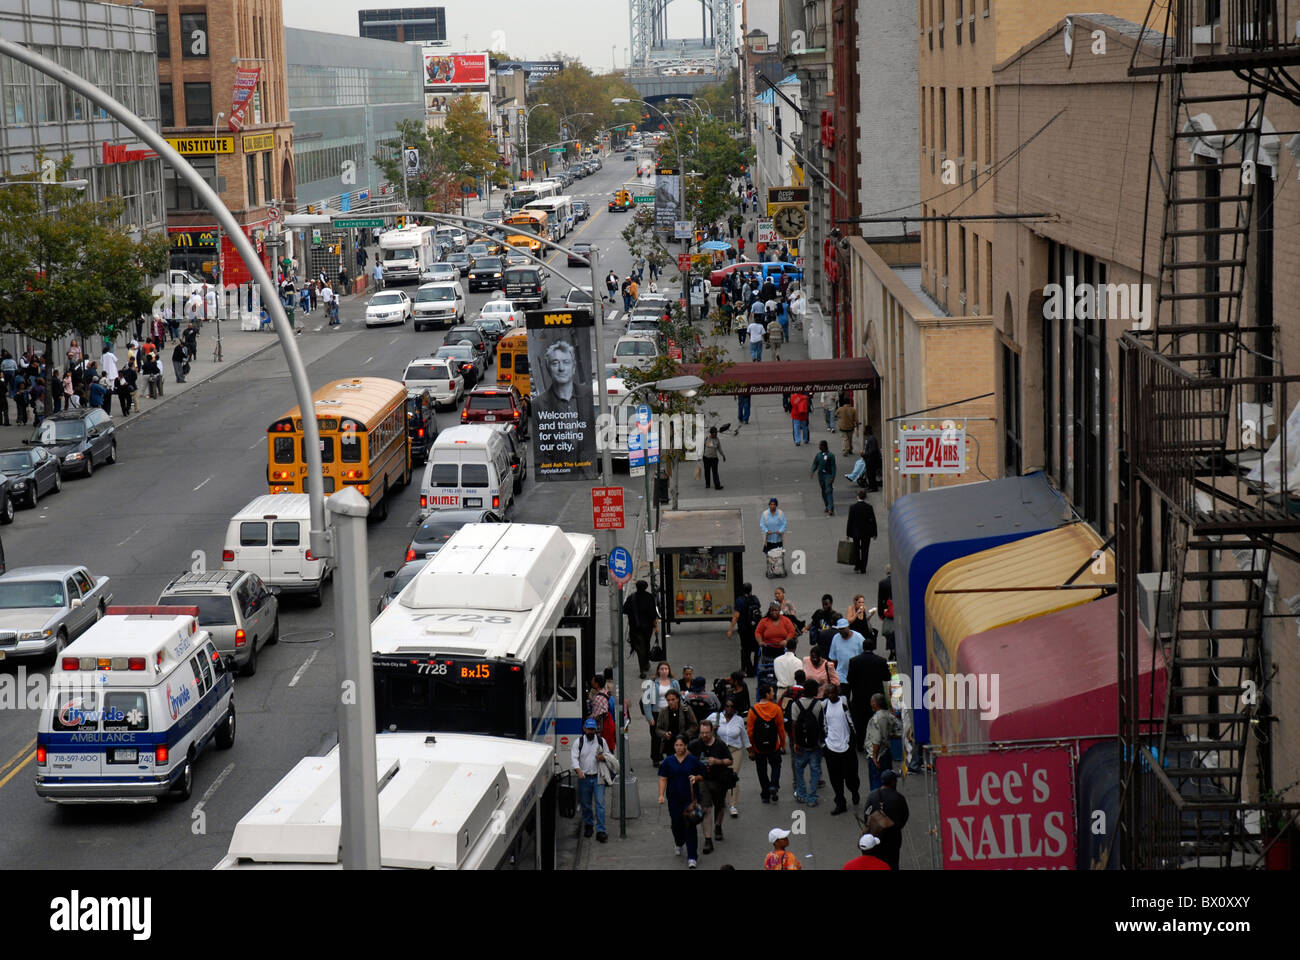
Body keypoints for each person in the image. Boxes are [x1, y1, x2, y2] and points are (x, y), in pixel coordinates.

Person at [658, 734, 705, 868]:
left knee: (690, 826)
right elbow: (663, 778)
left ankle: (692, 856)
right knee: (676, 824)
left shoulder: (692, 761)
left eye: (681, 745)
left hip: (689, 800)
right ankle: (679, 842)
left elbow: (703, 774)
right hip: (674, 799)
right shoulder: (668, 761)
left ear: (685, 746)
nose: (679, 748)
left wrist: (696, 778)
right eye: (676, 745)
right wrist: (661, 795)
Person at [688, 718, 733, 854]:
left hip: (719, 780)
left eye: (707, 733)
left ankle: (718, 826)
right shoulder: (695, 744)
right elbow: (687, 756)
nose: (704, 736)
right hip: (703, 781)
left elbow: (729, 760)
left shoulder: (720, 745)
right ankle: (708, 840)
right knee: (706, 808)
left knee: (719, 806)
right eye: (702, 733)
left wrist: (717, 761)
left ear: (712, 731)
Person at [535, 340, 593, 427]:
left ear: (573, 368)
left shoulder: (590, 395)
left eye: (566, 362)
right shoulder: (537, 405)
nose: (561, 368)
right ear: (548, 370)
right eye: (555, 363)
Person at [707, 698, 749, 818]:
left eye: (732, 706)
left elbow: (744, 736)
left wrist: (750, 749)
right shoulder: (715, 717)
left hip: (735, 750)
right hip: (720, 751)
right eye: (727, 706)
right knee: (720, 776)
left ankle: (733, 805)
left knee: (732, 776)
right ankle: (721, 799)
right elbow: (703, 729)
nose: (729, 709)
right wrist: (711, 730)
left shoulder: (739, 720)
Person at [571, 717, 612, 842]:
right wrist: (579, 771)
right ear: (584, 729)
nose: (590, 732)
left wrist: (603, 757)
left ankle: (601, 830)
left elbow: (609, 755)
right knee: (586, 804)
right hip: (584, 778)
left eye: (592, 729)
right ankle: (589, 825)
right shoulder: (578, 742)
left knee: (600, 804)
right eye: (588, 729)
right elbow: (574, 758)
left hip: (597, 777)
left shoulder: (601, 741)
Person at [846, 644, 892, 753]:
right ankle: (875, 744)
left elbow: (849, 679)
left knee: (860, 722)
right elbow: (887, 677)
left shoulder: (854, 661)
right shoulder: (881, 661)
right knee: (876, 722)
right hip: (876, 697)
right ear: (873, 647)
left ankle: (860, 744)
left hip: (859, 697)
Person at [822, 684, 860, 815]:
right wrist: (824, 744)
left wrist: (853, 742)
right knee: (835, 778)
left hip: (846, 746)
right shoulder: (824, 705)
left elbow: (853, 721)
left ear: (837, 692)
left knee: (851, 777)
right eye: (828, 693)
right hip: (831, 747)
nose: (830, 696)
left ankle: (854, 791)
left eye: (832, 693)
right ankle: (840, 802)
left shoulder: (844, 703)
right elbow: (823, 724)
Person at [789, 679, 827, 806]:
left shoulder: (795, 704)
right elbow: (821, 724)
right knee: (815, 770)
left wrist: (795, 742)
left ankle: (801, 794)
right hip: (814, 744)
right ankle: (812, 797)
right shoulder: (818, 705)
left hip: (800, 744)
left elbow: (794, 724)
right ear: (813, 690)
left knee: (799, 769)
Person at [863, 768, 910, 870]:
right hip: (893, 838)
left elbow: (866, 815)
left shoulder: (872, 795)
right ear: (893, 782)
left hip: (876, 836)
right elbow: (904, 816)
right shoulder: (898, 798)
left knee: (878, 862)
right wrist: (896, 827)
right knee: (893, 863)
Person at [747, 684, 786, 803]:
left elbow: (750, 732)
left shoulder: (753, 710)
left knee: (761, 769)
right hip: (774, 745)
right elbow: (780, 729)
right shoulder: (776, 709)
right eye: (772, 692)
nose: (773, 694)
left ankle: (765, 793)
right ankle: (773, 785)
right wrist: (782, 745)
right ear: (767, 695)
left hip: (759, 748)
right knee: (776, 765)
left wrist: (752, 748)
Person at [641, 661, 680, 764]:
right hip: (656, 712)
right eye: (662, 669)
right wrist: (649, 717)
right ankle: (656, 758)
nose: (664, 671)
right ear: (658, 670)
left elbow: (678, 698)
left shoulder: (674, 683)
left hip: (670, 711)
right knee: (656, 736)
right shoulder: (652, 683)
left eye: (666, 669)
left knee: (671, 735)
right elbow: (646, 701)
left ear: (669, 670)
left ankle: (671, 756)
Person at [622, 579, 660, 679]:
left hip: (635, 628)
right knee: (646, 645)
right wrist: (655, 626)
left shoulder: (631, 597)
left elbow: (624, 609)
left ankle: (642, 667)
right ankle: (645, 664)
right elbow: (653, 614)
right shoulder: (649, 597)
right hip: (647, 628)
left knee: (639, 648)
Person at [865, 692, 902, 790]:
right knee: (888, 779)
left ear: (875, 703)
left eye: (872, 702)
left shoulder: (877, 718)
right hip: (886, 752)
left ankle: (879, 803)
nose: (871, 704)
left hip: (878, 754)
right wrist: (889, 736)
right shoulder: (888, 715)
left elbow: (876, 740)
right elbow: (898, 729)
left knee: (876, 783)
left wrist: (874, 756)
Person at [725, 582, 763, 677]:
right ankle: (755, 669)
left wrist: (731, 629)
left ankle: (747, 670)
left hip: (744, 629)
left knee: (745, 650)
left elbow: (736, 616)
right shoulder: (755, 599)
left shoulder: (740, 600)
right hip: (755, 628)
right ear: (751, 590)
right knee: (756, 648)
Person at [655, 689, 699, 766]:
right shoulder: (663, 711)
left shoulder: (686, 709)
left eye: (673, 699)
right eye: (668, 700)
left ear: (678, 699)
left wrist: (685, 735)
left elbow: (694, 725)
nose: (670, 702)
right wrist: (665, 734)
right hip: (670, 744)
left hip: (684, 743)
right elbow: (658, 729)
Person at [847, 489, 878, 573]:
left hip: (855, 532)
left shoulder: (853, 507)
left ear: (858, 497)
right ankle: (863, 568)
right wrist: (875, 533)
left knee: (856, 550)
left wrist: (848, 533)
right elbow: (873, 520)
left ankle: (857, 566)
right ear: (865, 497)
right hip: (866, 533)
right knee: (865, 550)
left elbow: (850, 521)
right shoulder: (869, 507)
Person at [827, 618, 866, 683]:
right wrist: (833, 675)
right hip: (841, 675)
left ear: (848, 627)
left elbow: (865, 655)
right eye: (839, 629)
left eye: (843, 629)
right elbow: (833, 659)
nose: (841, 631)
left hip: (856, 675)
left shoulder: (859, 637)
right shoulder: (836, 638)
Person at [811, 440, 838, 516]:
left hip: (828, 475)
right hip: (821, 476)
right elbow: (815, 463)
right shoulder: (818, 455)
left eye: (820, 445)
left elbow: (833, 467)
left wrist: (832, 477)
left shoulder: (831, 455)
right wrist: (813, 471)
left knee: (828, 491)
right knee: (823, 491)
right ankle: (827, 505)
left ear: (824, 446)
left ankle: (830, 508)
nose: (819, 447)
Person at [877, 568, 895, 658]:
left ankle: (891, 649)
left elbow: (880, 600)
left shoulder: (882, 583)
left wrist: (880, 614)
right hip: (899, 611)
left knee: (889, 631)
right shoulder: (898, 581)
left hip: (888, 611)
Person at [863, 424, 882, 491]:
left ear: (867, 431)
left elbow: (873, 450)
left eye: (865, 430)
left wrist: (865, 454)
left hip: (872, 460)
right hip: (869, 460)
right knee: (869, 474)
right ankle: (870, 486)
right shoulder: (868, 438)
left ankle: (873, 487)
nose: (864, 431)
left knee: (871, 474)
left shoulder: (872, 438)